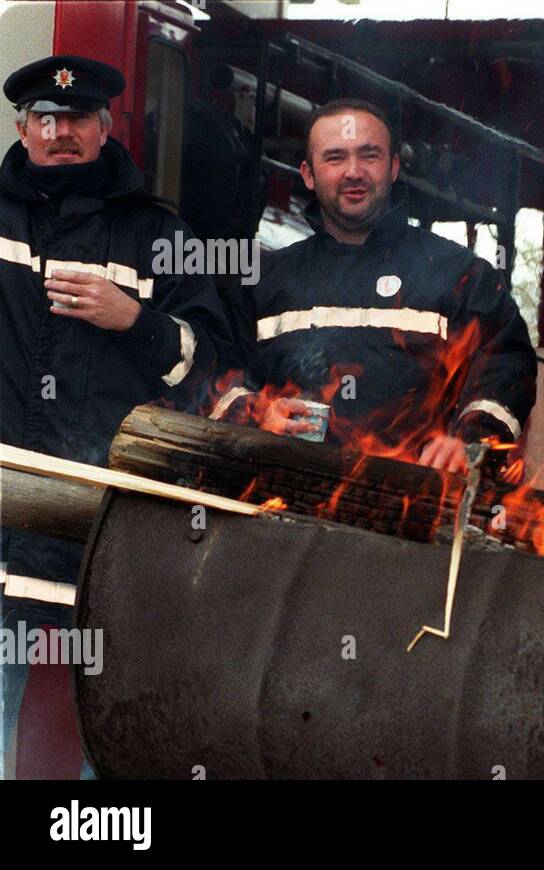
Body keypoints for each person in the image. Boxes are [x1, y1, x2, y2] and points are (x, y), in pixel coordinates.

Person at [1, 55, 232, 778]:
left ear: (106, 127)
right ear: (21, 127)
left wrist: (131, 318)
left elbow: (212, 380)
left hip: (109, 542)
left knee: (116, 744)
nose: (60, 131)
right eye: (46, 118)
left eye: (77, 119)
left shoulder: (161, 238)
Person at [215, 99, 535, 472]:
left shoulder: (460, 274)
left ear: (393, 166)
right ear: (308, 174)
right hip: (283, 496)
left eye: (369, 156)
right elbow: (219, 372)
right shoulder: (264, 280)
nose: (354, 172)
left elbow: (507, 362)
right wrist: (260, 412)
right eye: (335, 158)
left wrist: (469, 441)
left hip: (418, 505)